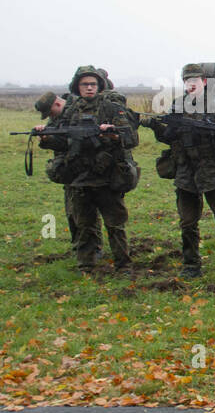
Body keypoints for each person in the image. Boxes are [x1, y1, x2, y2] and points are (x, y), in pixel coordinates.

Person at [144, 63, 215, 278]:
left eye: (195, 80)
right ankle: (191, 265)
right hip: (186, 172)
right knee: (187, 223)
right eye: (187, 80)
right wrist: (155, 126)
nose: (191, 84)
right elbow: (168, 137)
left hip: (213, 170)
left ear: (204, 81)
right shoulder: (177, 106)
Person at [41, 66, 139, 274]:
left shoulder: (111, 108)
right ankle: (86, 265)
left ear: (99, 86)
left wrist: (111, 134)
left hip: (107, 176)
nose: (89, 88)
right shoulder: (70, 110)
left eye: (93, 84)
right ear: (78, 87)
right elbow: (62, 142)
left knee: (115, 225)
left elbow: (130, 139)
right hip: (80, 176)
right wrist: (46, 137)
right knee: (84, 224)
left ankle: (123, 265)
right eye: (85, 84)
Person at [34, 90, 102, 258]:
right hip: (70, 170)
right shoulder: (58, 118)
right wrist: (46, 137)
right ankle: (80, 246)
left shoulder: (78, 111)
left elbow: (76, 142)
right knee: (73, 212)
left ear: (57, 104)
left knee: (88, 215)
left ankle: (93, 249)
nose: (51, 116)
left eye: (50, 112)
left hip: (88, 170)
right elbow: (60, 143)